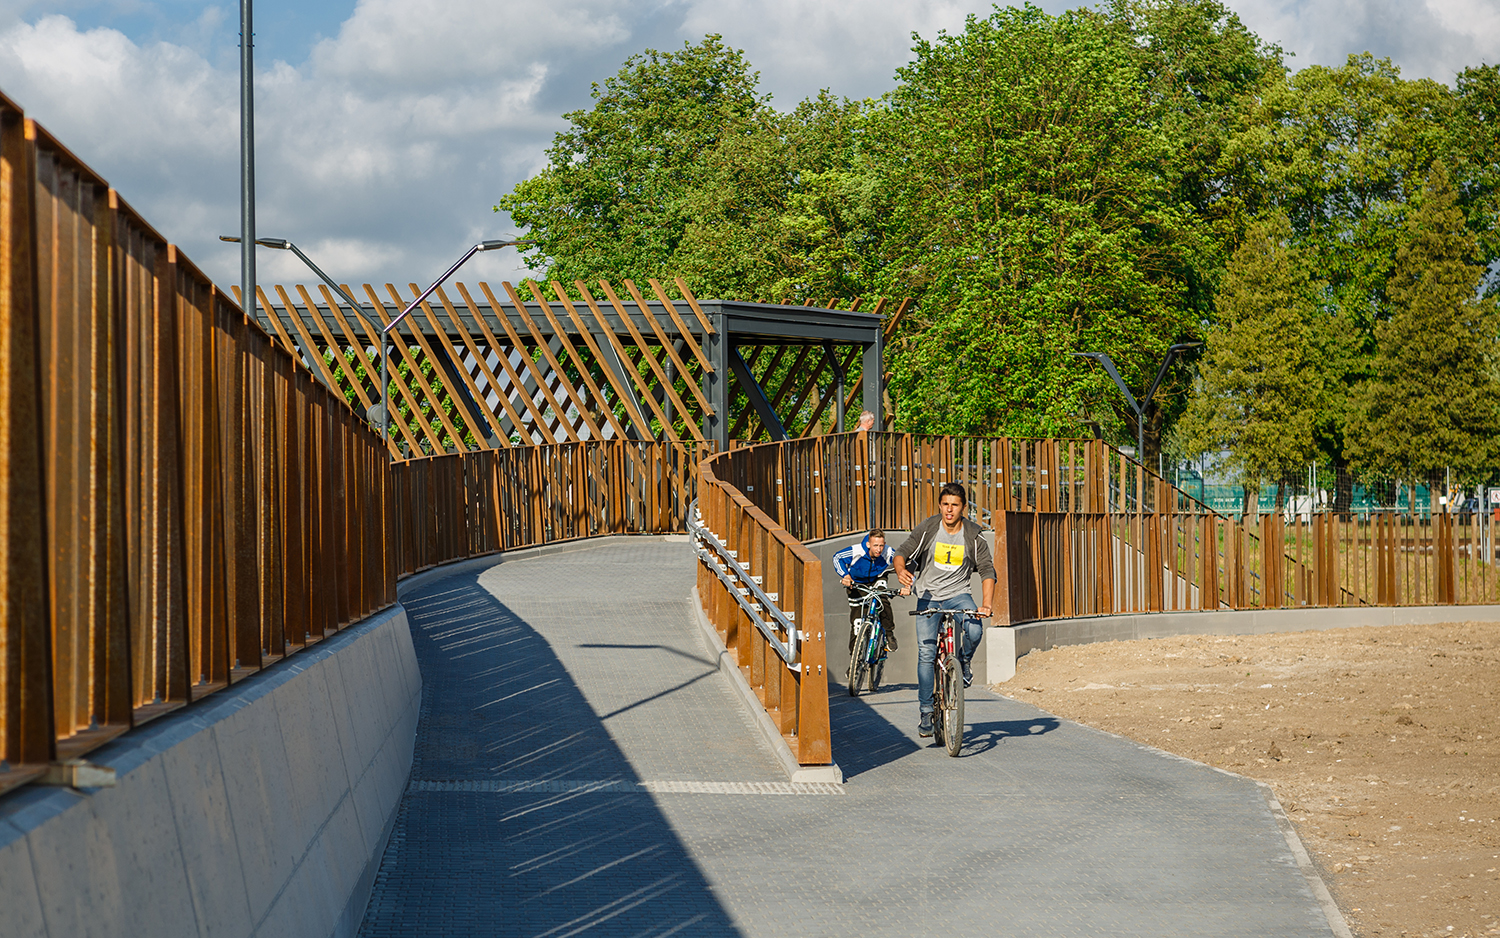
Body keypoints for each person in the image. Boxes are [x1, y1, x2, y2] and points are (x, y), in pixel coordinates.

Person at [893, 482, 995, 738]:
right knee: (927, 654)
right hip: (928, 597)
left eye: (955, 505)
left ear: (963, 508)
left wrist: (986, 604)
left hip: (959, 596)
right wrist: (901, 570)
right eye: (945, 504)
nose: (949, 510)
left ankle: (964, 661)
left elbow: (987, 570)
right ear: (940, 505)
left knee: (974, 630)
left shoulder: (974, 535)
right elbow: (902, 552)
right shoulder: (929, 528)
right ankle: (926, 712)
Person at [832, 529, 899, 661]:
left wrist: (907, 584)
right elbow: (837, 557)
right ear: (868, 544)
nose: (879, 549)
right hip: (857, 583)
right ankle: (854, 661)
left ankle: (889, 635)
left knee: (882, 599)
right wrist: (845, 575)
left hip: (877, 579)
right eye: (875, 545)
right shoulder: (857, 551)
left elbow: (902, 562)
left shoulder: (888, 552)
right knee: (856, 623)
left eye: (881, 545)